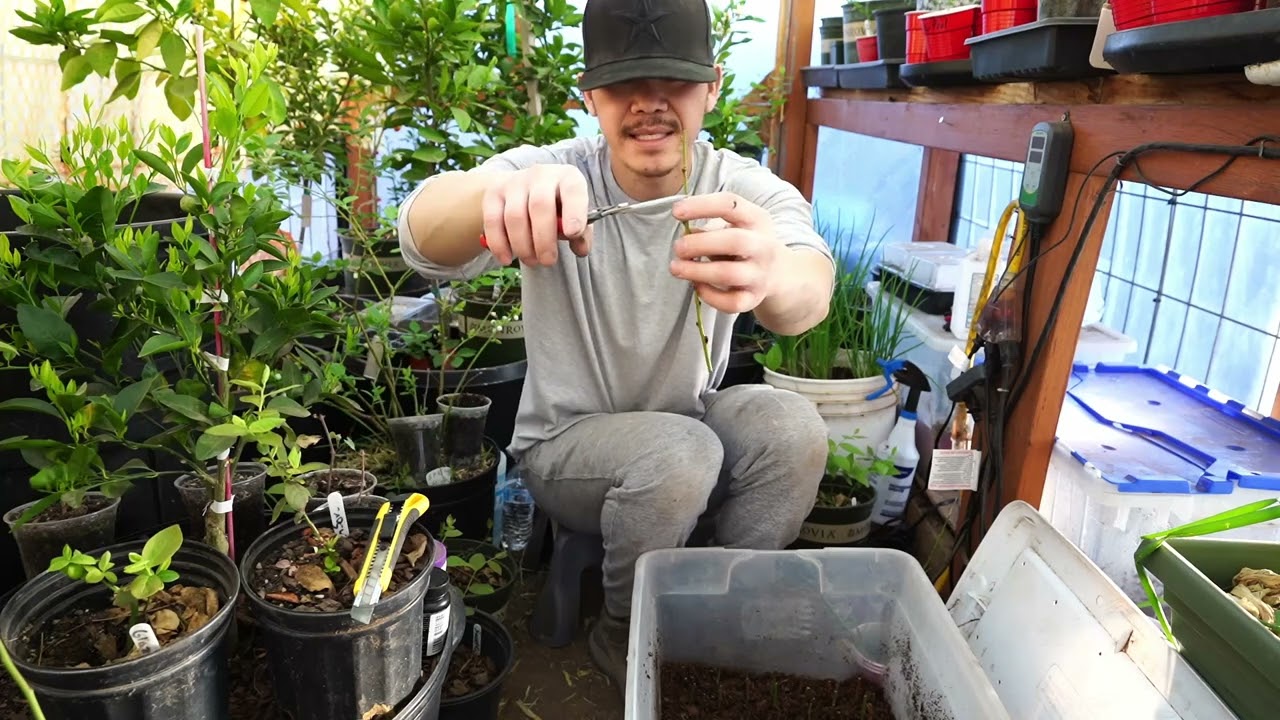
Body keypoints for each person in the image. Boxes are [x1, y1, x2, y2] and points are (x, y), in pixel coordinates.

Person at [397, 0, 832, 693]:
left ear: (712, 85)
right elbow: (420, 235)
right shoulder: (556, 173)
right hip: (569, 447)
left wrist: (775, 273)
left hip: (690, 427)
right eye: (626, 83)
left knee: (793, 427)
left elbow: (809, 288)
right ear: (589, 94)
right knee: (680, 452)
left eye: (675, 82)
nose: (650, 105)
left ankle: (724, 605)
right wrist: (498, 195)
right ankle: (632, 631)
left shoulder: (735, 185)